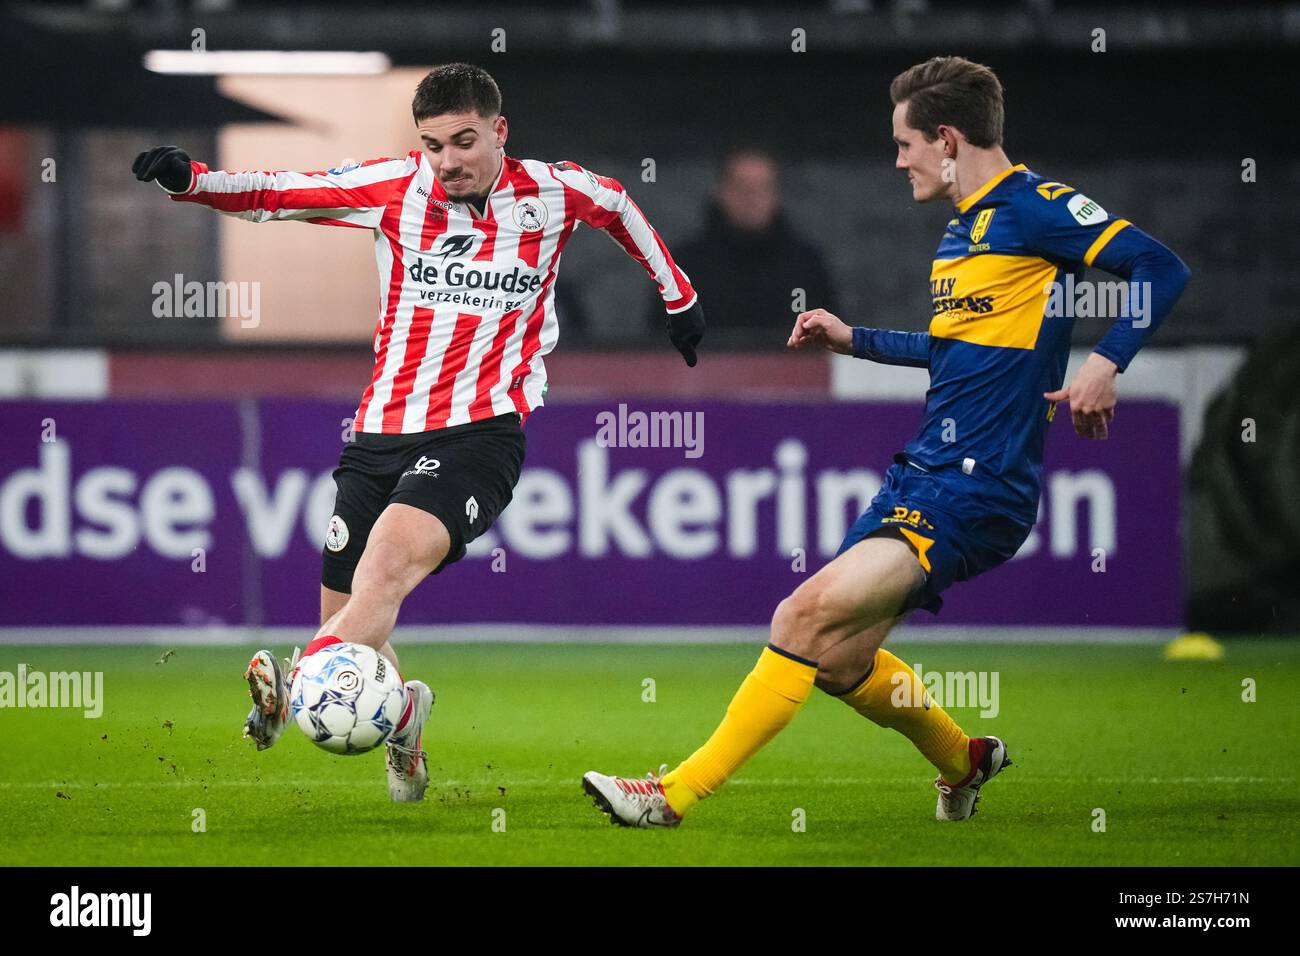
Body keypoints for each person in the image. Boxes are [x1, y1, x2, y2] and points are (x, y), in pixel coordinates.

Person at [584, 55, 1190, 827]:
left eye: (904, 143)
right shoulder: (962, 231)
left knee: (799, 617)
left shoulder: (1035, 207)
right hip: (924, 472)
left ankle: (670, 796)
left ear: (946, 138)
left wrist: (1105, 365)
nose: (897, 159)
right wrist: (853, 339)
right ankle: (964, 759)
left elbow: (1159, 268)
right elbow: (955, 354)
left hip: (980, 484)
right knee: (838, 659)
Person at [133, 62, 704, 803]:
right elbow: (279, 195)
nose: (448, 161)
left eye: (463, 141)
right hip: (378, 433)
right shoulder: (394, 188)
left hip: (481, 432)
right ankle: (404, 714)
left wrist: (679, 295)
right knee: (348, 621)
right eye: (433, 145)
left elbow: (621, 208)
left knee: (384, 575)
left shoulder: (555, 193)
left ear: (500, 131)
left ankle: (294, 686)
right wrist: (193, 180)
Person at [648, 149, 834, 339]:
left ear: (777, 194)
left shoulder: (805, 266)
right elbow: (659, 346)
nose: (752, 196)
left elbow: (830, 343)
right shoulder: (684, 265)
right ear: (720, 191)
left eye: (763, 187)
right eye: (742, 187)